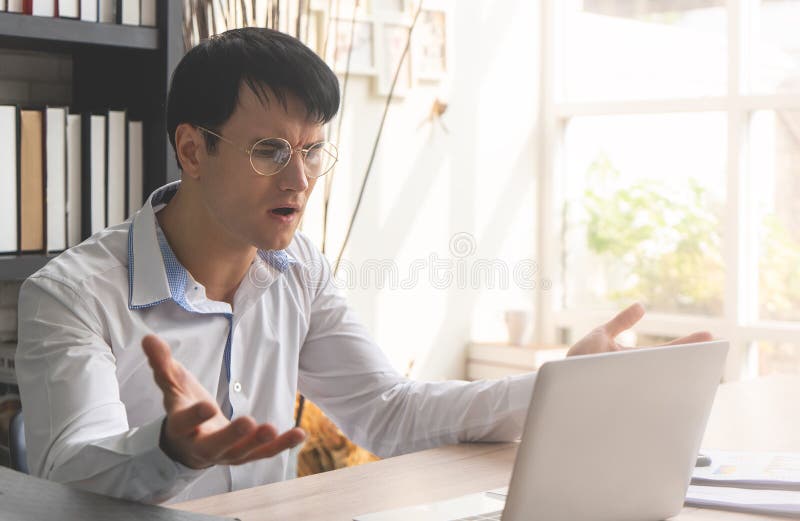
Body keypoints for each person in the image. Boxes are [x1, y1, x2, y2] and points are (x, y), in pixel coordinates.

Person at [15, 27, 711, 504]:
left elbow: (390, 411)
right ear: (192, 151)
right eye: (269, 152)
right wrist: (172, 448)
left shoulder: (298, 271)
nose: (300, 179)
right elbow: (63, 482)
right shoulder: (72, 295)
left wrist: (563, 385)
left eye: (313, 150)